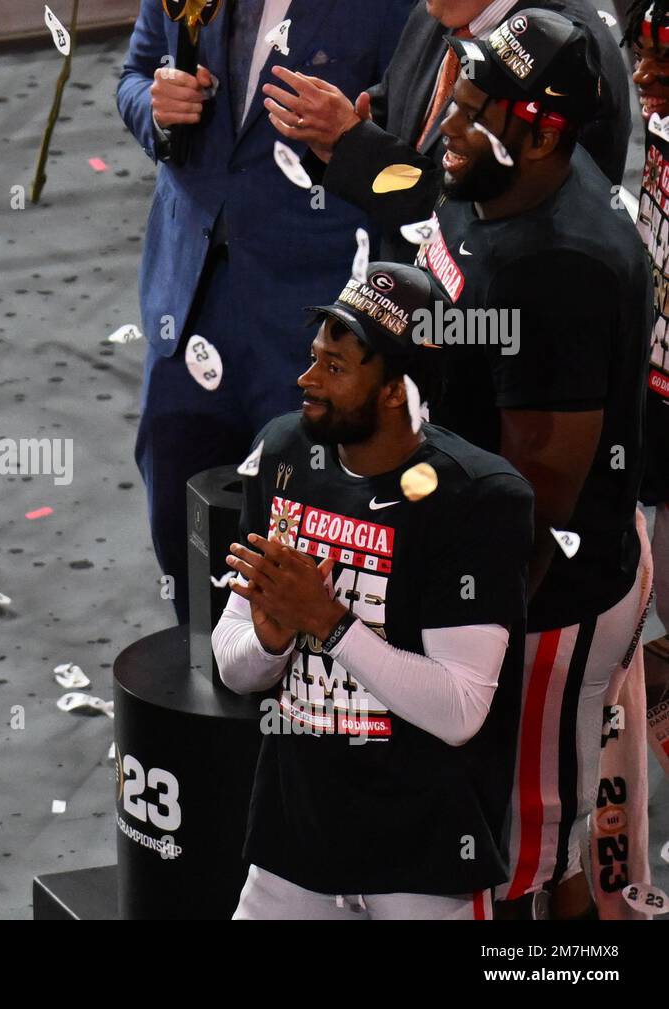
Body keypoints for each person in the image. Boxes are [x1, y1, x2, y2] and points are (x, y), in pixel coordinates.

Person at [419, 10, 653, 918]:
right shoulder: (492, 183)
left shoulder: (560, 265)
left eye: (473, 112)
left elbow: (541, 500)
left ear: (543, 133)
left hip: (545, 602)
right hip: (487, 553)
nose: (448, 123)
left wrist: (460, 620)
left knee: (519, 850)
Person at [213, 262, 534, 919]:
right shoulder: (285, 454)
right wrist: (270, 640)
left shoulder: (477, 498)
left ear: (395, 391)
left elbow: (460, 708)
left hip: (420, 857)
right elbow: (232, 663)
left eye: (334, 367)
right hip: (294, 839)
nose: (306, 379)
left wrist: (329, 624)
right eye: (314, 356)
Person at [117, 0, 415, 623]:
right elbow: (137, 74)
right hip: (190, 303)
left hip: (311, 323)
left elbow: (417, 160)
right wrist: (155, 106)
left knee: (305, 544)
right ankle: (200, 670)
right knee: (179, 523)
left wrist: (350, 140)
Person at [261, 0, 630, 262]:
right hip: (416, 310)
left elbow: (485, 218)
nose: (453, 123)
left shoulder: (564, 50)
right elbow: (392, 113)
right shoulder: (438, 12)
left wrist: (355, 143)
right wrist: (336, 139)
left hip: (499, 324)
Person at [627, 1, 669, 634]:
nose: (643, 74)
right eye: (642, 54)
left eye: (665, 61)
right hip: (651, 378)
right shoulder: (655, 123)